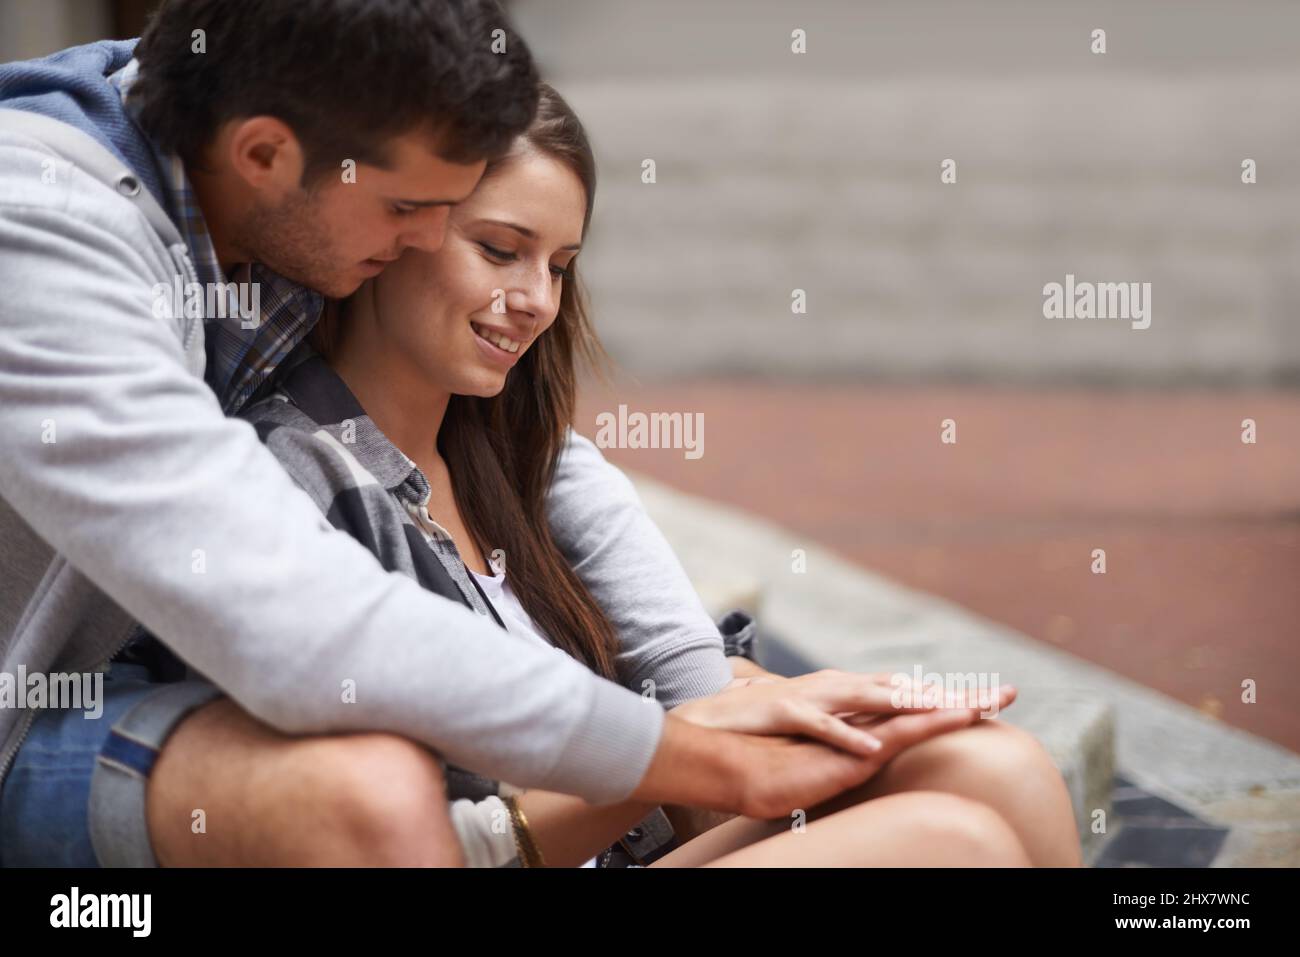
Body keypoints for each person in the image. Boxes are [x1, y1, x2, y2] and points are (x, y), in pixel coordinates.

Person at [0, 0, 974, 868]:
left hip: (121, 681)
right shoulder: (45, 228)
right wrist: (681, 748)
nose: (425, 242)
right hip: (36, 717)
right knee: (369, 798)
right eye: (411, 210)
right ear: (264, 154)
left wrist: (703, 687)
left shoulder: (246, 125)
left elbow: (519, 442)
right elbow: (290, 620)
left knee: (972, 773)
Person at [233, 82, 1081, 868]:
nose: (535, 298)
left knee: (986, 764)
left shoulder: (532, 458)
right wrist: (700, 738)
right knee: (949, 841)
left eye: (559, 266)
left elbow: (698, 708)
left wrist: (819, 722)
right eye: (500, 250)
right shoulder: (292, 478)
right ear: (392, 231)